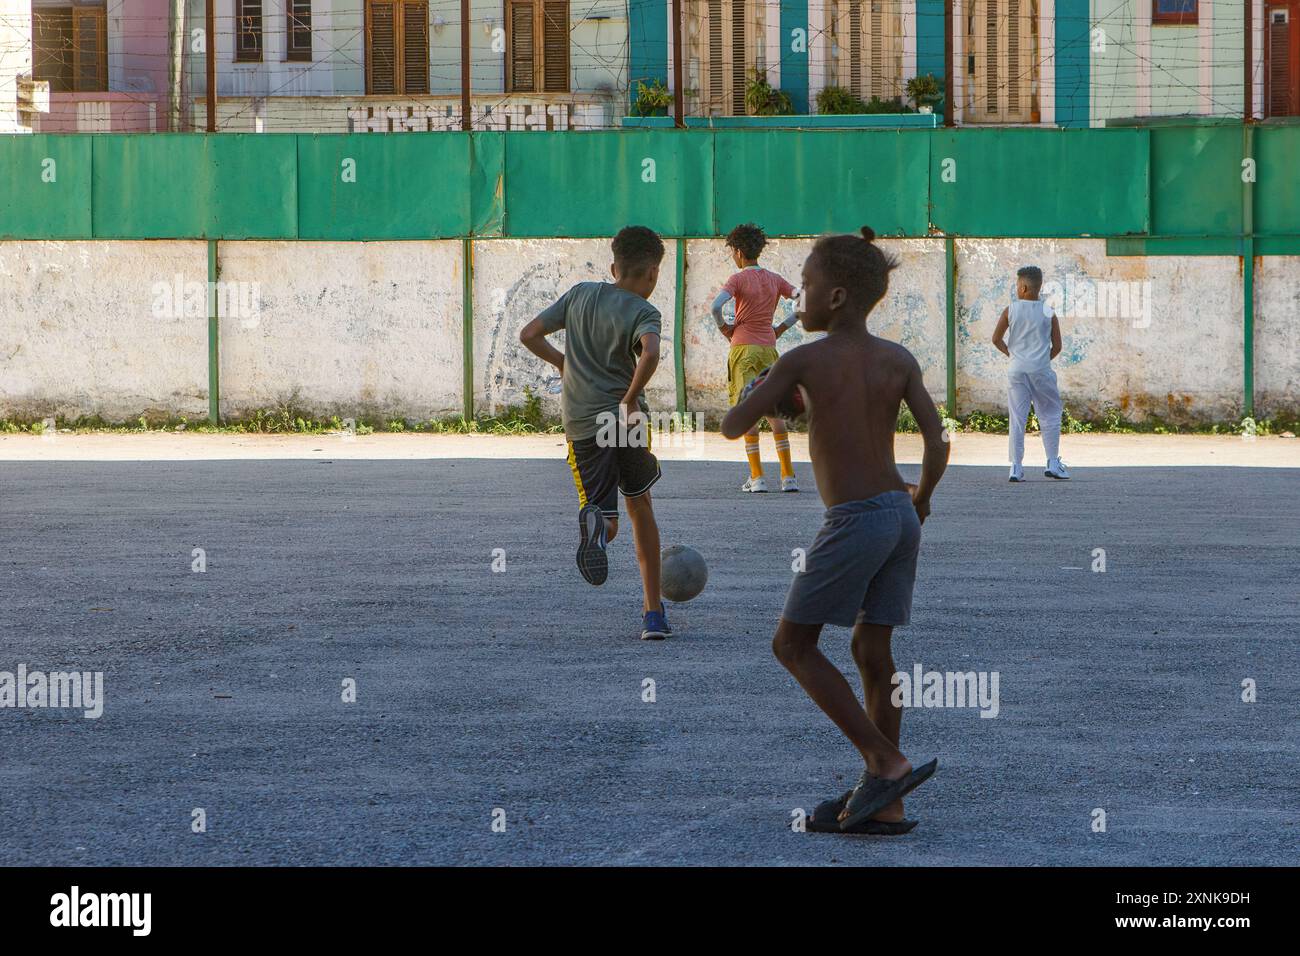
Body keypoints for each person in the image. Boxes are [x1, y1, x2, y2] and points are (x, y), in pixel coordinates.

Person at [722, 227, 948, 832]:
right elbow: (936, 439)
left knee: (792, 645)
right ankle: (887, 801)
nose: (800, 301)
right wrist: (922, 499)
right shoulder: (899, 359)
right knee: (873, 651)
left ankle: (884, 760)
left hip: (852, 521)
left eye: (810, 289)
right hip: (901, 516)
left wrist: (762, 394)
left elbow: (731, 423)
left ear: (839, 296)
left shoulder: (802, 359)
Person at [519, 226, 672, 640]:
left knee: (608, 519)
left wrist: (562, 362)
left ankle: (598, 530)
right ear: (653, 274)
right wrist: (631, 396)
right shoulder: (644, 312)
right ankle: (653, 614)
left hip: (583, 424)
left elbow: (529, 334)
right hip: (626, 421)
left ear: (613, 266)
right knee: (641, 509)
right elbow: (652, 352)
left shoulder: (580, 294)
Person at [712, 223, 801, 492]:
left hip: (743, 348)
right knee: (775, 409)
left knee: (748, 409)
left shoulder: (737, 279)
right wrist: (782, 328)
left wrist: (725, 328)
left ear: (738, 251)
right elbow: (804, 300)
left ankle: (757, 477)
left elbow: (716, 306)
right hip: (769, 348)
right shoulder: (774, 279)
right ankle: (788, 477)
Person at [992, 266, 1070, 482]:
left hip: (1016, 371)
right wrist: (1041, 361)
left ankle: (1016, 468)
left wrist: (1012, 355)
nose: (1017, 289)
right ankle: (1053, 463)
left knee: (1017, 418)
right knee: (1050, 414)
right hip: (1041, 370)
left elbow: (996, 339)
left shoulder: (1010, 310)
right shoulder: (1048, 311)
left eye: (1018, 286)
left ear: (1024, 287)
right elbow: (1057, 346)